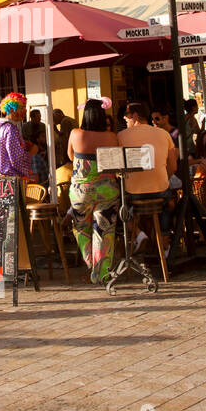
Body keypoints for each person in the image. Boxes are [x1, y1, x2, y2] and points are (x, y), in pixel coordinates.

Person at [67, 98, 121, 284]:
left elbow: (70, 155)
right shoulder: (111, 137)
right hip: (107, 189)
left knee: (81, 228)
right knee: (105, 230)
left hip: (81, 191)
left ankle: (91, 263)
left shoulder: (75, 133)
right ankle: (102, 272)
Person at [119, 102, 180, 255]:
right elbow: (173, 167)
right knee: (166, 203)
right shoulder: (164, 134)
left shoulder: (121, 136)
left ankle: (138, 233)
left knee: (120, 207)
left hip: (133, 193)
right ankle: (164, 240)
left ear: (134, 115)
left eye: (126, 116)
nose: (124, 119)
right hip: (159, 190)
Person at [0, 92, 32, 179]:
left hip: (1, 176)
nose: (25, 111)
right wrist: (30, 154)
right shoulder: (10, 129)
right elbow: (16, 159)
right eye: (22, 108)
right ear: (11, 110)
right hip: (11, 179)